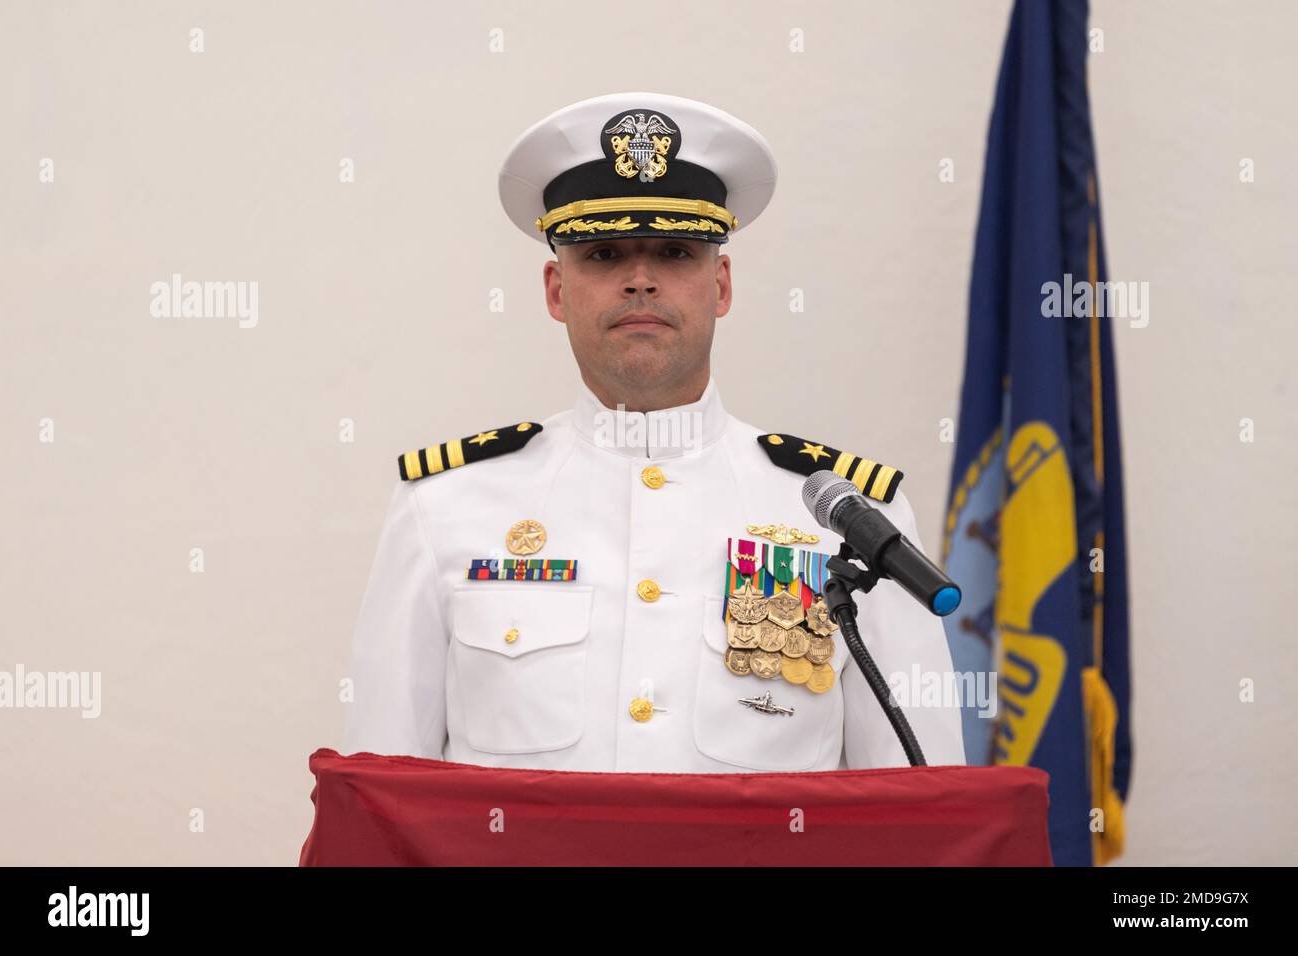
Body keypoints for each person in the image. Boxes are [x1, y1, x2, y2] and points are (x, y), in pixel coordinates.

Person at [341, 91, 965, 772]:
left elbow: (918, 807)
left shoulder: (847, 517)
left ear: (720, 285)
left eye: (673, 252)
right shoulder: (445, 507)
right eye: (604, 255)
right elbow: (379, 797)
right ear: (556, 289)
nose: (640, 281)